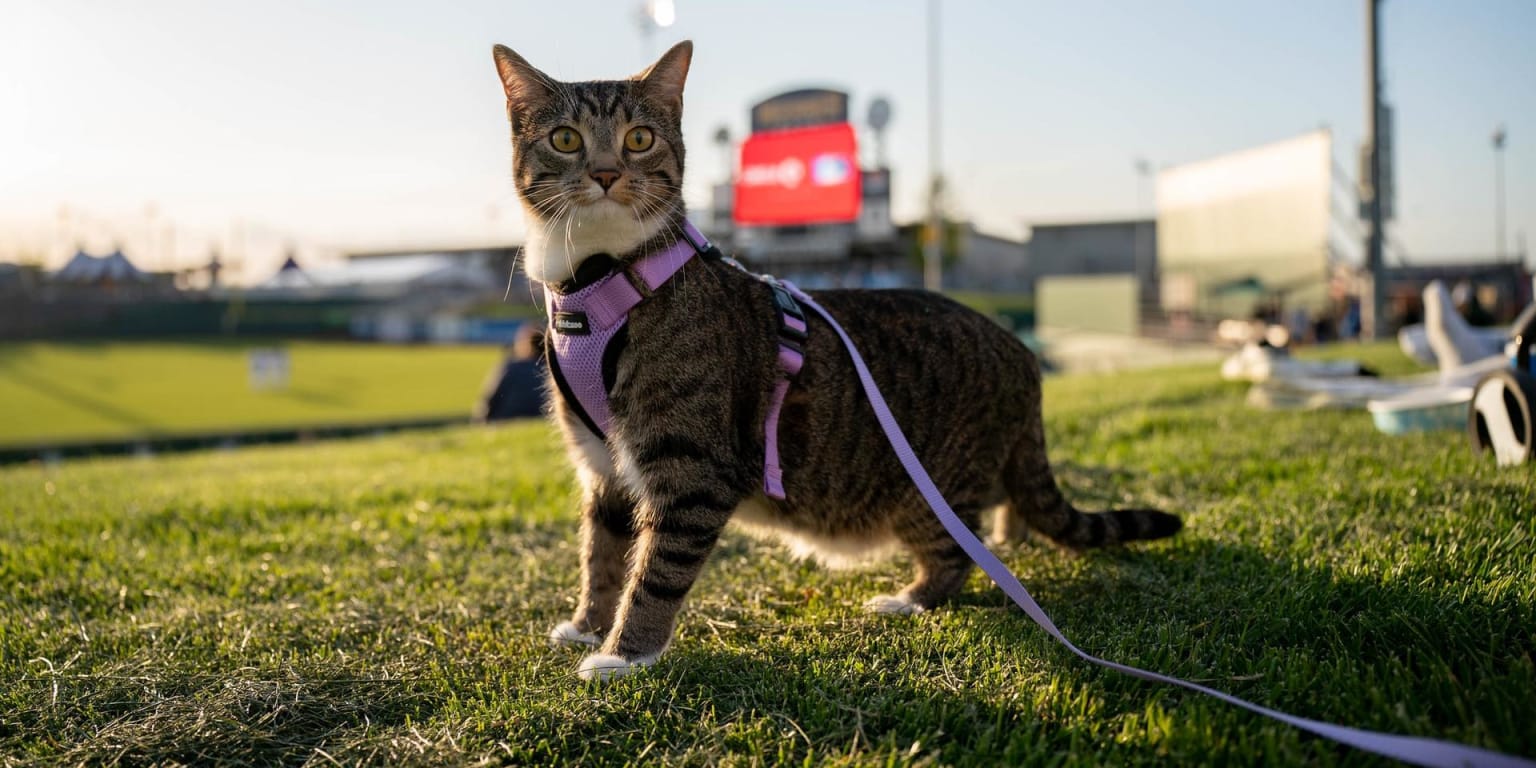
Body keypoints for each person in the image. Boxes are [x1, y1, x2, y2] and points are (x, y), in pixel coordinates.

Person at [474, 323, 547, 423]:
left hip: (505, 420)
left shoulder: (511, 367)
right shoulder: (552, 372)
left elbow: (489, 401)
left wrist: (480, 421)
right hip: (540, 418)